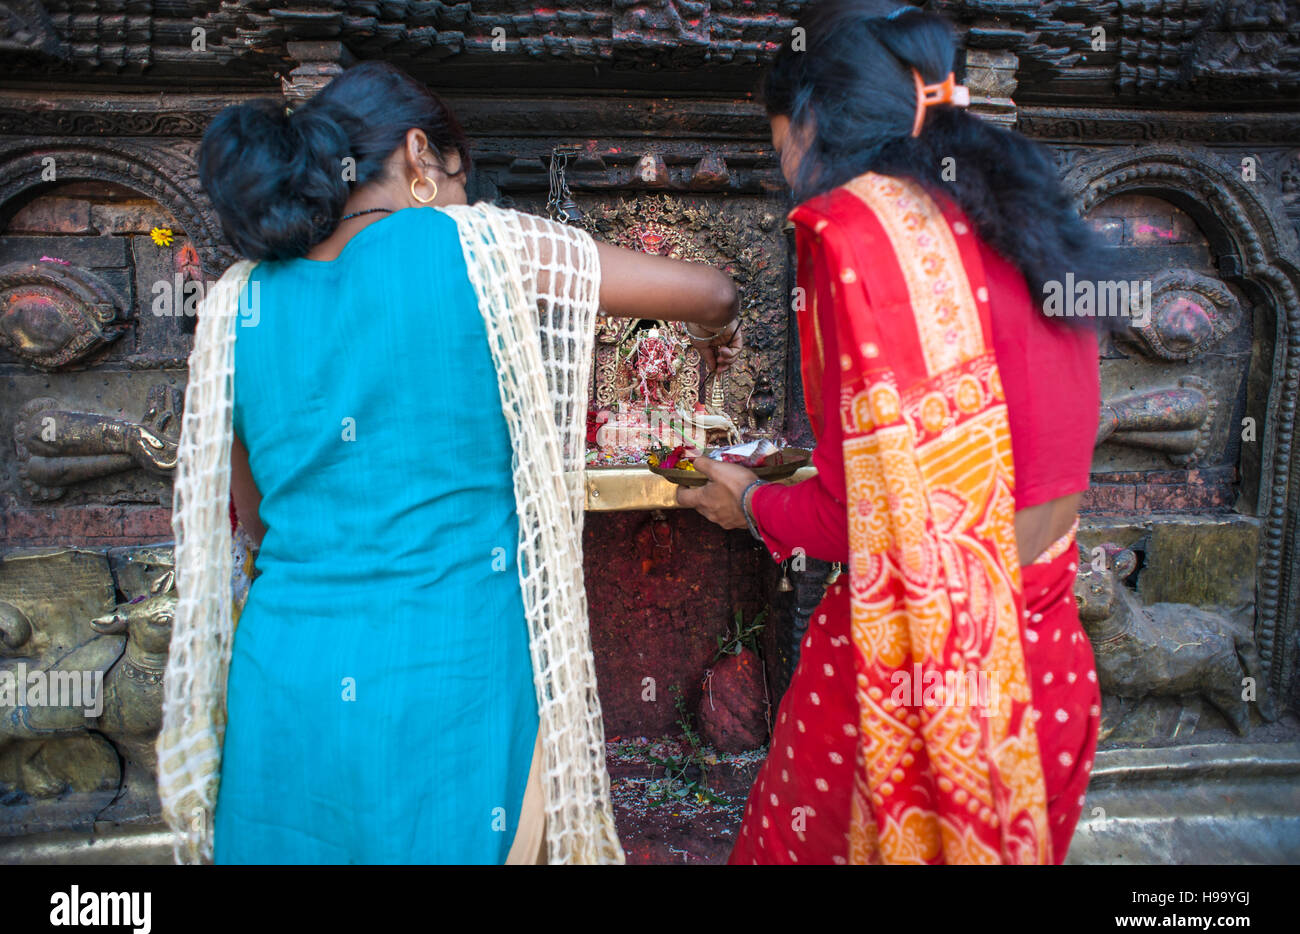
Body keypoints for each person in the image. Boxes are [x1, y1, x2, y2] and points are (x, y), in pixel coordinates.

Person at [157, 60, 741, 864]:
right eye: (464, 178)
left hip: (286, 679)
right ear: (421, 155)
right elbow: (710, 294)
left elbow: (256, 521)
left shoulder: (235, 302)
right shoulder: (475, 244)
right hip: (449, 681)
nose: (469, 199)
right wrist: (719, 338)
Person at [677, 0, 1127, 864]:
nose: (791, 179)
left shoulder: (859, 237)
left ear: (813, 122)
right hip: (1045, 678)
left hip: (906, 690)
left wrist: (755, 502)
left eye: (781, 155)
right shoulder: (1029, 221)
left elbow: (864, 524)